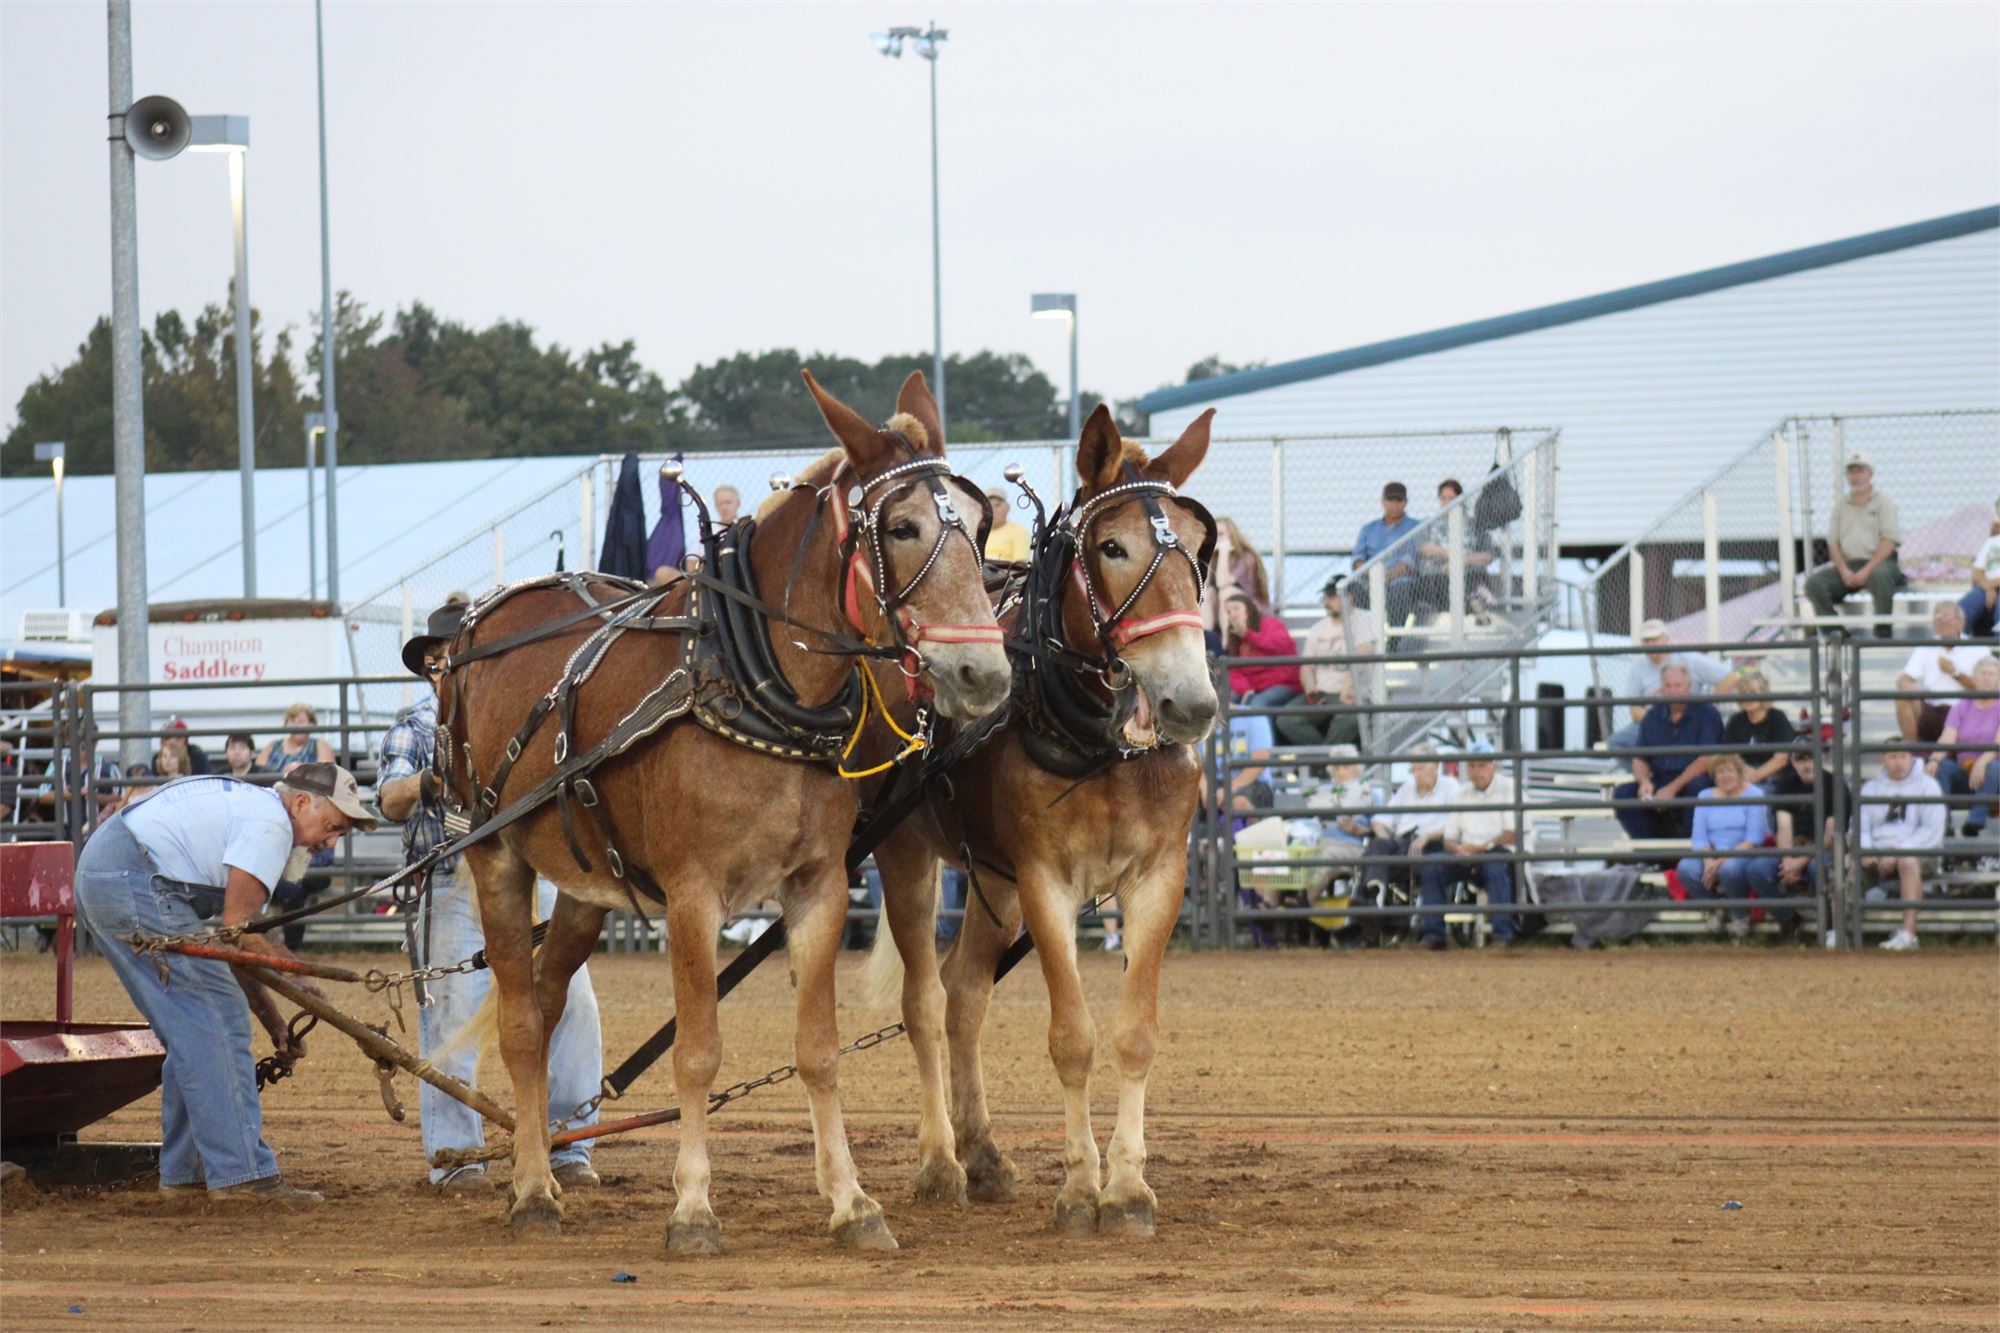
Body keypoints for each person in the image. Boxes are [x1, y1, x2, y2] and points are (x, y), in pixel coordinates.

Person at [72, 761, 376, 1203]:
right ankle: (242, 1175)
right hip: (132, 878)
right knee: (217, 1020)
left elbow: (229, 947)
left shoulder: (256, 811)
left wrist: (275, 1023)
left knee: (195, 1023)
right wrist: (299, 973)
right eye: (330, 827)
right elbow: (240, 931)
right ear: (301, 802)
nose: (328, 842)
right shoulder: (271, 825)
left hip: (117, 871)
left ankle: (189, 1171)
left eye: (338, 835)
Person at [381, 604, 605, 1195]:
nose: (443, 667)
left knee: (574, 1005)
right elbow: (389, 798)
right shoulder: (416, 726)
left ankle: (568, 1148)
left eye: (453, 653)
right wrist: (428, 782)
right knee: (452, 1014)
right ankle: (458, 1160)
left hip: (534, 873)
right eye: (436, 660)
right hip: (453, 877)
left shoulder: (528, 717)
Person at [1415, 740, 1517, 950]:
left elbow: (1512, 835)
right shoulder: (1462, 793)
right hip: (1468, 854)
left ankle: (1503, 934)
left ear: (1493, 766)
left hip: (1495, 853)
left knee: (1496, 865)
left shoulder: (1509, 788)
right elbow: (1449, 837)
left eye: (1482, 765)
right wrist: (1457, 849)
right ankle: (1434, 934)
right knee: (1432, 865)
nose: (1476, 771)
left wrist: (1480, 848)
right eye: (1472, 766)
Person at [1614, 663, 1724, 841]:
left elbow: (1707, 759)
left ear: (1689, 687)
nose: (1673, 691)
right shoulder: (1652, 715)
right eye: (1668, 686)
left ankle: (1691, 851)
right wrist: (1644, 782)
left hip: (1693, 780)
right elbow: (1640, 758)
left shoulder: (1707, 713)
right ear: (1661, 688)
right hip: (1661, 780)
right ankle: (1652, 853)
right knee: (1623, 794)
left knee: (1699, 788)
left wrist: (1671, 789)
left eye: (1678, 686)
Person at [1360, 749, 1460, 945]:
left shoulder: (1451, 787)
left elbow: (1456, 822)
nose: (1416, 773)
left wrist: (1427, 835)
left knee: (1375, 853)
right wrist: (1387, 841)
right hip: (1403, 843)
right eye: (1413, 769)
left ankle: (1371, 909)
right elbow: (1380, 820)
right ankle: (1373, 898)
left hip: (1433, 842)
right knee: (1377, 845)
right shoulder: (1406, 788)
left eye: (1421, 768)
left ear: (1436, 766)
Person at [1673, 753, 1778, 939]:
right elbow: (1699, 838)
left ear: (1739, 773)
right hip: (1712, 852)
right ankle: (1716, 907)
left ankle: (1740, 914)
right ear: (1713, 777)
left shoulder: (1754, 794)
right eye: (1719, 772)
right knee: (1686, 868)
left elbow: (1754, 838)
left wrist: (1720, 861)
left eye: (1729, 770)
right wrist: (1708, 863)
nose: (1725, 776)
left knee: (1729, 869)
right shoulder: (1704, 796)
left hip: (1745, 851)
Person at [1804, 451, 1902, 636]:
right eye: (1851, 472)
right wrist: (1843, 570)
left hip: (1881, 563)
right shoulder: (1840, 506)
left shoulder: (1883, 503)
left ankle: (1882, 633)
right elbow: (1833, 542)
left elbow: (1889, 541)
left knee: (1880, 576)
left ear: (1870, 473)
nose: (1855, 477)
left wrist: (1867, 569)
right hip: (1849, 565)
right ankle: (1835, 633)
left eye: (1860, 471)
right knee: (1814, 584)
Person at [1857, 749, 1946, 952]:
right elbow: (1860, 825)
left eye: (1903, 756)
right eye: (1892, 756)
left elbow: (1932, 832)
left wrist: (1898, 852)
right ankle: (1840, 933)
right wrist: (1866, 849)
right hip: (1878, 852)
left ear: (1911, 758)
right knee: (1850, 863)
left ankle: (1908, 934)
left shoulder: (1928, 785)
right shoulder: (1870, 788)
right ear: (1883, 759)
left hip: (1920, 852)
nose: (1898, 762)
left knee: (1907, 861)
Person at [1608, 620, 1743, 752]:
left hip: (1689, 721)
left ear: (1666, 638)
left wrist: (1709, 705)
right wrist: (1658, 723)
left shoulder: (1690, 659)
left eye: (1655, 639)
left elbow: (1732, 677)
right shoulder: (1637, 668)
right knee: (1617, 743)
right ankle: (1650, 771)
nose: (1650, 643)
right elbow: (1635, 709)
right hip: (1655, 722)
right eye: (1646, 640)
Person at [1771, 733, 1851, 941]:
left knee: (1819, 867)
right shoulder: (1784, 784)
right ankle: (1788, 919)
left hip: (1823, 849)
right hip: (1795, 849)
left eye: (1810, 757)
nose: (1806, 763)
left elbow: (1832, 834)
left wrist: (1800, 862)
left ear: (1820, 758)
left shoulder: (1835, 784)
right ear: (1792, 761)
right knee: (1758, 868)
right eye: (1800, 758)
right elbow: (1783, 827)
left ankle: (1826, 926)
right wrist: (1787, 861)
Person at [1276, 575, 1364, 749]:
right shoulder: (1318, 628)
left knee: (1351, 717)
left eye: (1332, 596)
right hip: (1322, 692)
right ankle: (1328, 759)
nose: (1326, 601)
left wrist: (1348, 686)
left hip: (1353, 692)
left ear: (1349, 597)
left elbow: (1364, 655)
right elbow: (1307, 665)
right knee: (1286, 719)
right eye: (1325, 596)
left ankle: (1324, 761)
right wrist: (1311, 690)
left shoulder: (1361, 619)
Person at [1927, 655, 2000, 835]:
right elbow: (1947, 738)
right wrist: (1934, 759)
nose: (1986, 678)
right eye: (1982, 674)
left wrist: (1982, 763)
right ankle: (1943, 824)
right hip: (1966, 772)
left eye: (1992, 674)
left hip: (1993, 774)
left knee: (1994, 767)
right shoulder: (1960, 706)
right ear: (1974, 678)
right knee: (1942, 767)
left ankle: (1975, 822)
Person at [1894, 602, 1982, 742]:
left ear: (1961, 622)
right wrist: (1908, 686)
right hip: (1931, 709)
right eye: (1937, 618)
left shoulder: (1978, 649)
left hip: (1963, 709)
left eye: (1946, 617)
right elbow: (1905, 677)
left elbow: (1983, 687)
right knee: (1903, 700)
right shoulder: (1925, 646)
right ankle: (1912, 753)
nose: (1942, 621)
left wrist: (1955, 673)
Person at [1414, 478, 1497, 617]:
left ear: (1461, 499)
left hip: (1469, 573)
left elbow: (1488, 556)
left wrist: (1459, 561)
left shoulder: (1475, 525)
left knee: (1470, 578)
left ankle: (1476, 599)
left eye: (1452, 498)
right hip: (1437, 576)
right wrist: (1455, 557)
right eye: (1443, 498)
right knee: (1446, 582)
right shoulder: (1429, 524)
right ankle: (1476, 600)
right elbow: (1426, 548)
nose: (1447, 503)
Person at [1351, 483, 1419, 625]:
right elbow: (1357, 560)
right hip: (1368, 582)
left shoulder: (1416, 527)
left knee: (1400, 589)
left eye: (1398, 500)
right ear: (1383, 501)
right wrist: (1371, 578)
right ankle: (1363, 636)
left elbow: (1408, 563)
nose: (1394, 504)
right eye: (1390, 500)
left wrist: (1380, 579)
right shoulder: (1368, 529)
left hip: (1399, 582)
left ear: (1405, 502)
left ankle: (1395, 640)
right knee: (1351, 588)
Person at [1224, 592, 1304, 710]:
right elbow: (1235, 670)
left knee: (1257, 704)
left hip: (1284, 684)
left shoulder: (1271, 625)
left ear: (1249, 609)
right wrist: (1245, 689)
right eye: (1228, 612)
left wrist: (1247, 634)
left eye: (1236, 608)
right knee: (1225, 702)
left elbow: (1278, 646)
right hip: (1255, 687)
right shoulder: (1235, 638)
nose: (1232, 614)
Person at [1722, 669, 1796, 787]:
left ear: (1763, 693)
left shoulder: (1777, 717)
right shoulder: (1735, 720)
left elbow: (1781, 758)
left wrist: (1756, 776)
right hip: (1742, 779)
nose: (1747, 697)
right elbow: (1730, 754)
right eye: (1743, 692)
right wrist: (1745, 772)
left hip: (1773, 780)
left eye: (1752, 692)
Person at [1204, 517, 1273, 634]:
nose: (1217, 539)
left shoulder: (1246, 556)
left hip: (1252, 610)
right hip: (1222, 613)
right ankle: (1209, 641)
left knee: (1226, 592)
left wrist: (1224, 552)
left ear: (1232, 535)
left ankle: (1226, 646)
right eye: (1214, 535)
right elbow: (1203, 584)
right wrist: (1207, 555)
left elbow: (1222, 582)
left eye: (1221, 534)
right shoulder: (1214, 556)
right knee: (1207, 592)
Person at [1958, 498, 2000, 638]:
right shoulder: (1992, 542)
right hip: (1986, 588)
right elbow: (1976, 572)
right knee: (1963, 608)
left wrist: (1990, 585)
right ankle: (1956, 647)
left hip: (1990, 585)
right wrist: (1988, 588)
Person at [258, 704, 336, 773]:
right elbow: (258, 773)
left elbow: (328, 776)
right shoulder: (273, 746)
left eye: (301, 721)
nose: (296, 725)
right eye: (292, 721)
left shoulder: (320, 745)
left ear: (311, 724)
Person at [982, 487, 1030, 563]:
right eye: (989, 506)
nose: (993, 510)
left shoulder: (1019, 531)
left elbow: (1021, 565)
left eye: (997, 505)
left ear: (1007, 508)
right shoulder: (977, 534)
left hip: (1004, 573)